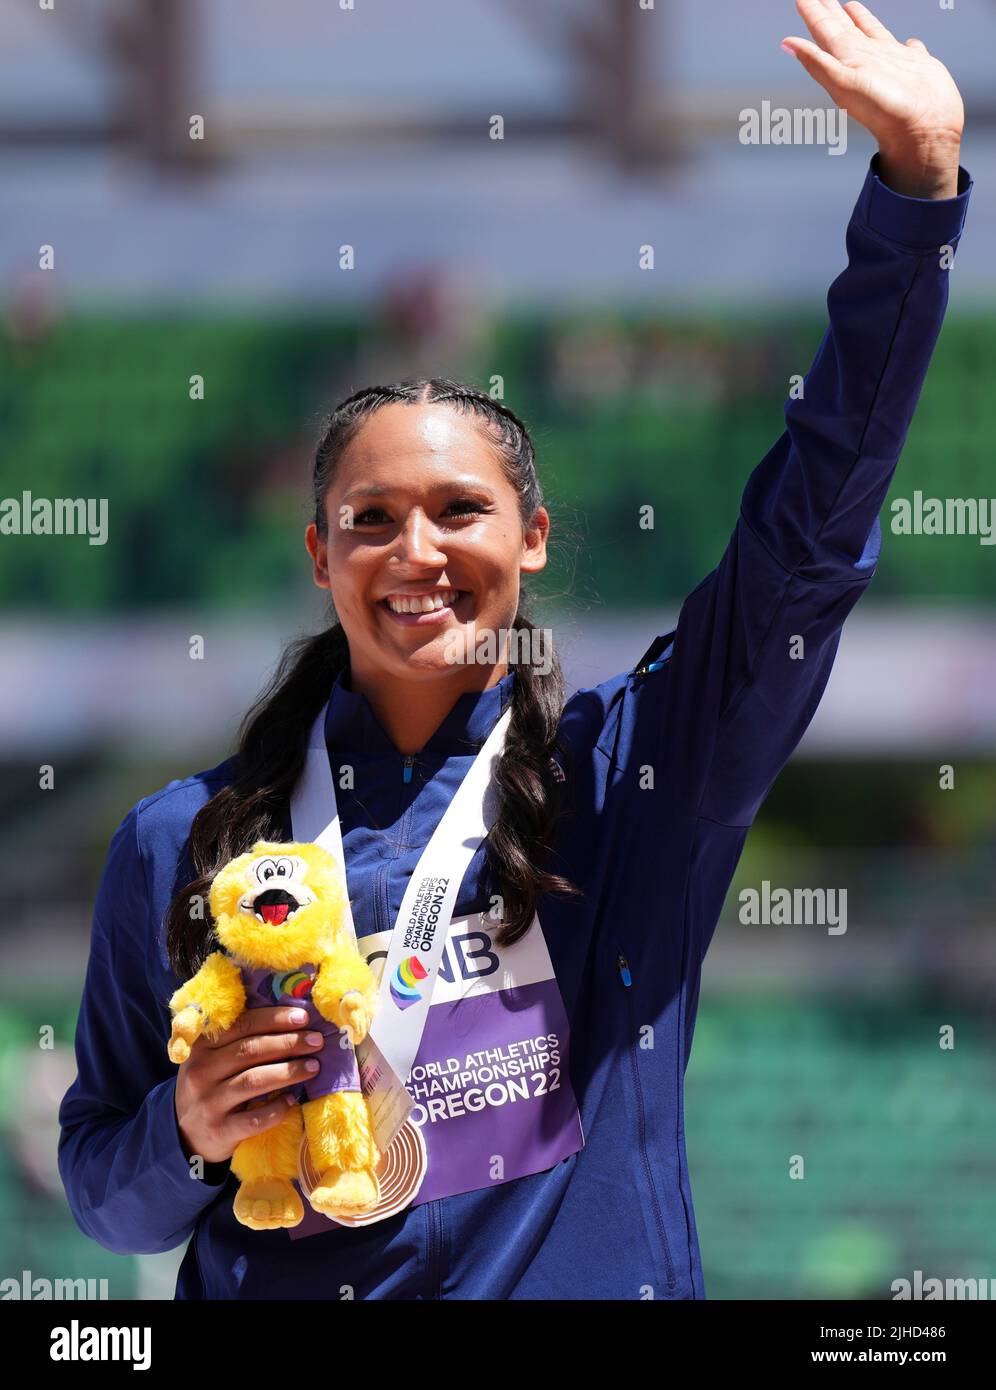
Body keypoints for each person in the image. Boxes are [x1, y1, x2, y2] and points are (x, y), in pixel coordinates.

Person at [58, 2, 973, 1299]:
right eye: (369, 521)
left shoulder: (631, 781)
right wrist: (184, 1132)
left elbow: (806, 549)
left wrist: (915, 199)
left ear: (532, 536)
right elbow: (105, 1190)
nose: (415, 550)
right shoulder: (185, 840)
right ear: (320, 558)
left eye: (459, 510)